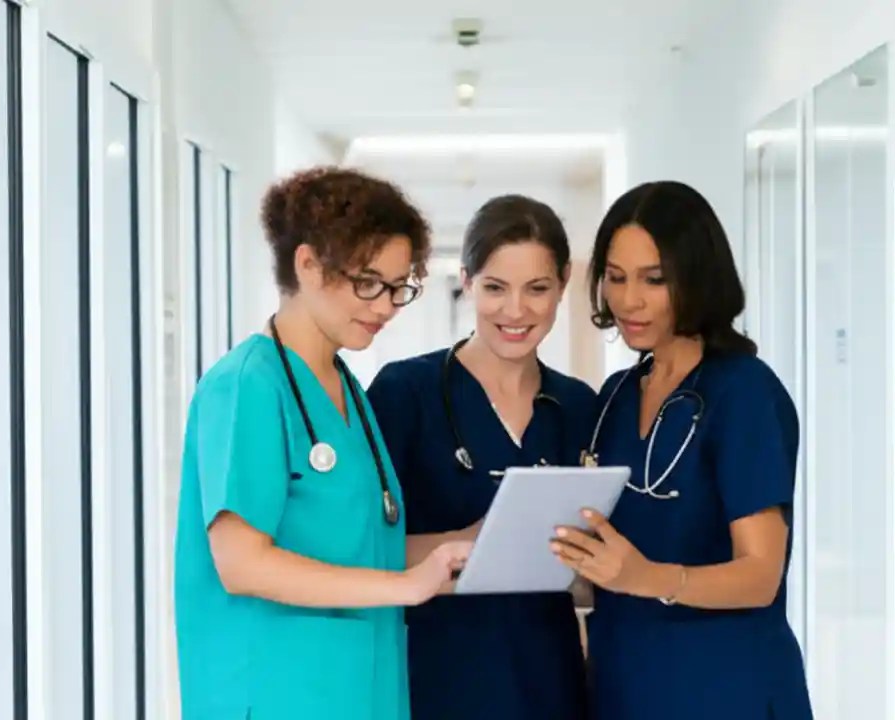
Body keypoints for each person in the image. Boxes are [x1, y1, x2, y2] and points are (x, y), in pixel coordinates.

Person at [173, 167, 472, 720]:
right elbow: (241, 564)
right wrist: (406, 587)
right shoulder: (247, 385)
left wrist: (465, 546)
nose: (385, 306)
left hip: (359, 690)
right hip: (276, 692)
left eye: (399, 287)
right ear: (307, 264)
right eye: (368, 283)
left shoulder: (346, 389)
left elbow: (362, 547)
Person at [551, 181, 814, 719]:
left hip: (724, 689)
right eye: (616, 277)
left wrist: (646, 577)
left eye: (655, 279)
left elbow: (760, 575)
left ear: (697, 277)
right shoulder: (615, 398)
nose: (629, 300)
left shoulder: (743, 392)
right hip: (627, 686)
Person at [366, 194, 596, 720]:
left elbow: (591, 573)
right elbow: (361, 548)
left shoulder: (579, 406)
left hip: (550, 681)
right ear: (467, 282)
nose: (515, 311)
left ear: (563, 283)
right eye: (495, 287)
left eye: (537, 288)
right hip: (438, 679)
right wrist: (476, 541)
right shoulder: (406, 393)